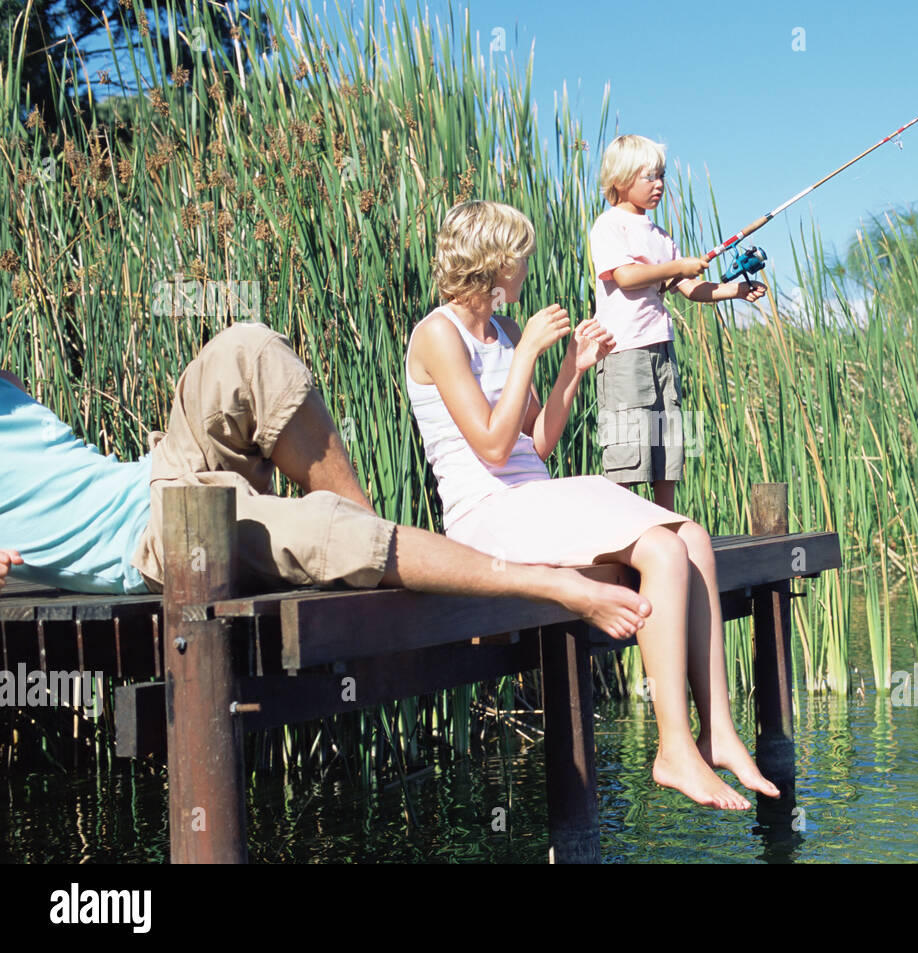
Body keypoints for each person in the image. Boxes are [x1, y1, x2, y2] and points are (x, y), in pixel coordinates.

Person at [405, 199, 778, 809]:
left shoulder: (497, 329)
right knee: (659, 546)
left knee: (693, 539)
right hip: (486, 515)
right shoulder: (437, 334)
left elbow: (537, 441)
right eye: (519, 257)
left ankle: (719, 732)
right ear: (494, 263)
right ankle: (673, 750)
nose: (526, 268)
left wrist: (573, 369)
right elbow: (493, 449)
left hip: (533, 495)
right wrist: (528, 351)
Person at [0, 328, 651, 642]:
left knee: (246, 350)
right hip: (158, 541)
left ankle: (371, 547)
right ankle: (546, 581)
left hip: (156, 470)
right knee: (315, 529)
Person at [589, 134, 766, 511]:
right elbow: (625, 276)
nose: (659, 184)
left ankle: (665, 522)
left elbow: (690, 287)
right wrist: (678, 265)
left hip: (661, 351)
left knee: (667, 441)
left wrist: (735, 291)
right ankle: (621, 530)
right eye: (648, 177)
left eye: (662, 176)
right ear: (620, 180)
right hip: (623, 353)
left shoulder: (661, 236)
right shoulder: (608, 226)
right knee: (627, 445)